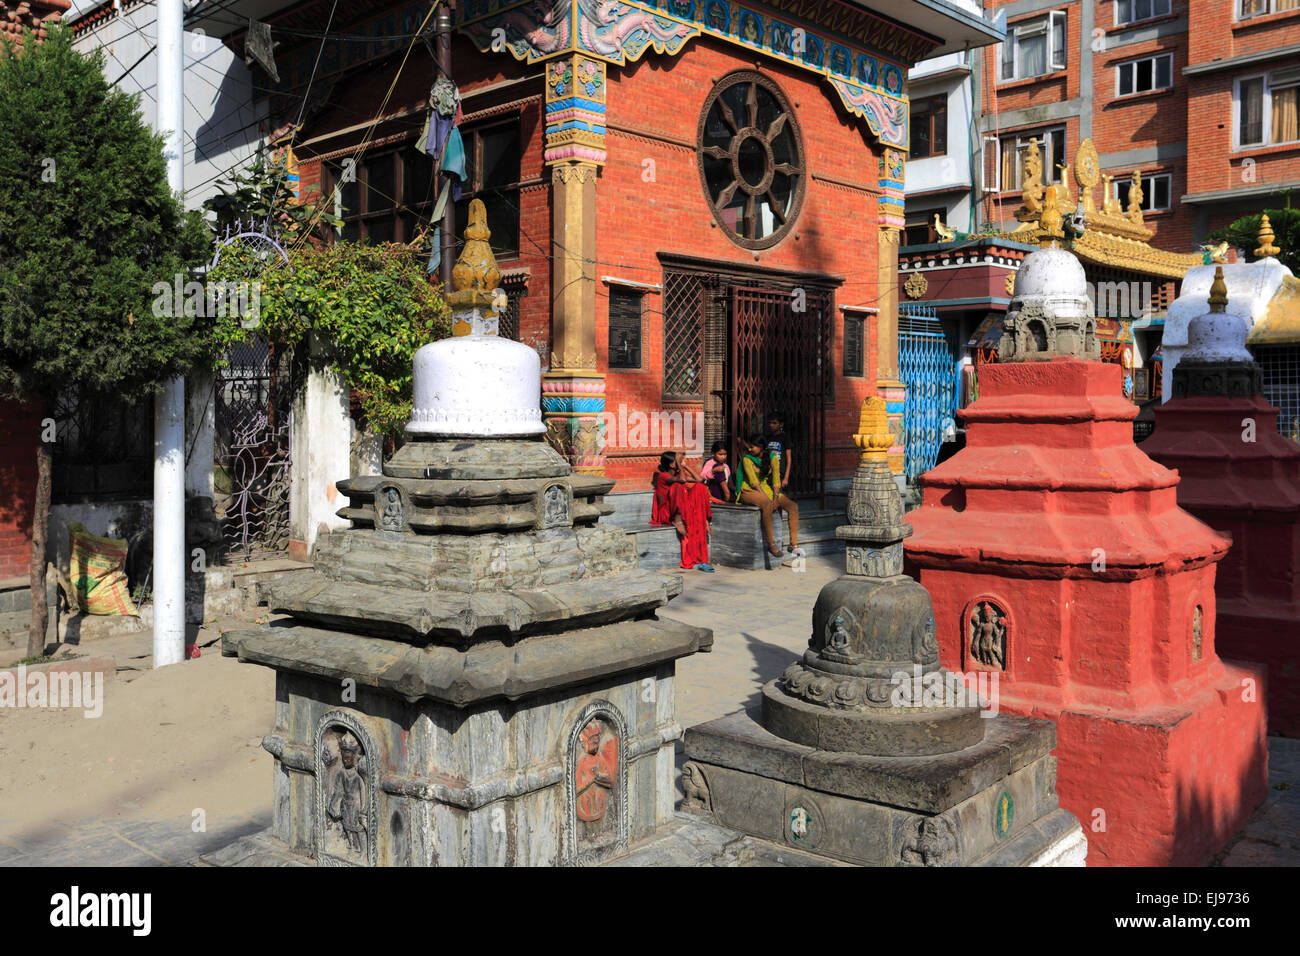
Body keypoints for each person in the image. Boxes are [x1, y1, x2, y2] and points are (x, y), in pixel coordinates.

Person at [735, 434, 802, 559]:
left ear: (761, 447)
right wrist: (770, 499)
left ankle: (794, 544)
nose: (749, 449)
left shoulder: (772, 458)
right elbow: (754, 482)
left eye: (753, 447)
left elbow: (776, 480)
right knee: (766, 503)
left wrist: (776, 498)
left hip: (766, 488)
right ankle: (771, 544)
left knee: (792, 506)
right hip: (748, 490)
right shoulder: (747, 459)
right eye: (749, 447)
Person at [651, 451, 715, 571]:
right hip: (668, 513)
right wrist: (681, 466)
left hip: (680, 507)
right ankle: (678, 519)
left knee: (700, 488)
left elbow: (699, 479)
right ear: (672, 464)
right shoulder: (663, 476)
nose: (681, 462)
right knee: (678, 487)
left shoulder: (679, 472)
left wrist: (685, 466)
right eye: (678, 460)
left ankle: (704, 518)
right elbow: (682, 481)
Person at [765, 411, 793, 493]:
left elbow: (789, 459)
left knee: (778, 497)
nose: (771, 425)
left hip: (780, 474)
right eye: (770, 423)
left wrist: (786, 478)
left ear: (781, 424)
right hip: (768, 472)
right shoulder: (767, 438)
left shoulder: (785, 438)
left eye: (774, 423)